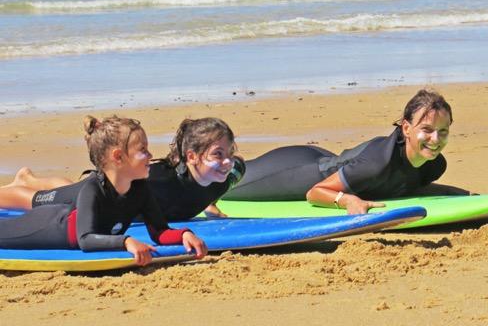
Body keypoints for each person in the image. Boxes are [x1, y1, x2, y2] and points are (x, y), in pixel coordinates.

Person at [0, 116, 207, 266]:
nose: (151, 155)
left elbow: (159, 232)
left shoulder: (140, 189)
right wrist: (126, 241)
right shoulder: (93, 189)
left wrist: (184, 235)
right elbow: (86, 239)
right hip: (46, 227)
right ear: (118, 157)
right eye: (142, 150)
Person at [223, 89, 454, 214]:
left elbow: (408, 184)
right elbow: (315, 192)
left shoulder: (434, 164)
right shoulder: (377, 164)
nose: (436, 139)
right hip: (298, 173)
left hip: (326, 159)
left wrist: (461, 195)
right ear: (406, 128)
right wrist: (347, 201)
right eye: (427, 129)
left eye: (443, 131)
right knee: (221, 185)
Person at [0, 117, 245, 222]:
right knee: (39, 201)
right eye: (217, 154)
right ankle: (21, 188)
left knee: (68, 189)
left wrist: (210, 203)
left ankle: (27, 177)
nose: (227, 162)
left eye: (229, 153)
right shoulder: (158, 177)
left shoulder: (229, 174)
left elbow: (205, 189)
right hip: (104, 193)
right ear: (191, 156)